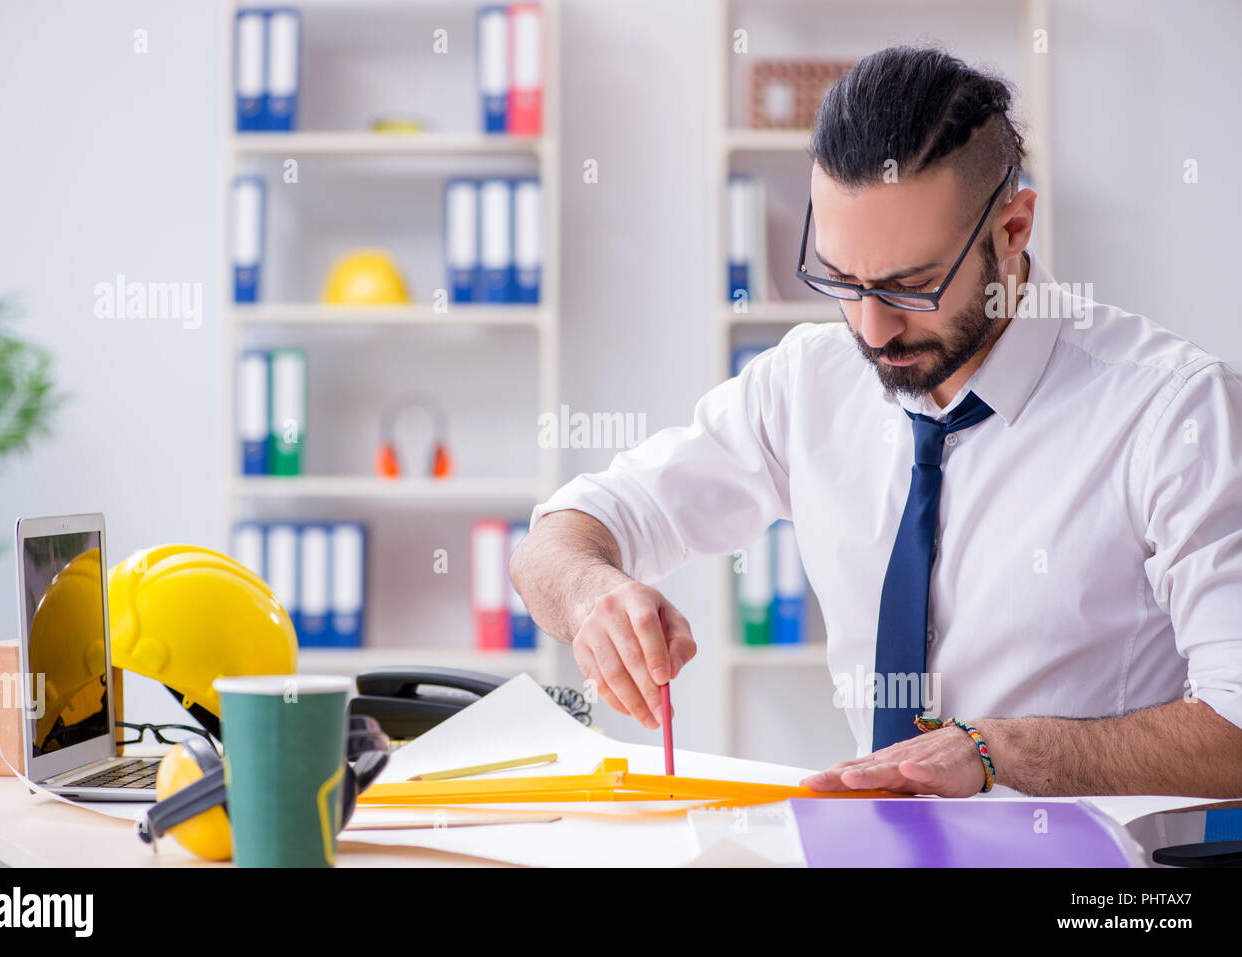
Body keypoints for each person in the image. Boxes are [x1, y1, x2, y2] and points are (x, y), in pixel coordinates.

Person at [510, 46, 1242, 799]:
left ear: (1015, 227)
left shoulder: (1177, 412)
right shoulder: (808, 380)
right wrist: (591, 595)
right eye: (841, 278)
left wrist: (996, 752)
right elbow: (556, 540)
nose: (873, 329)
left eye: (913, 285)